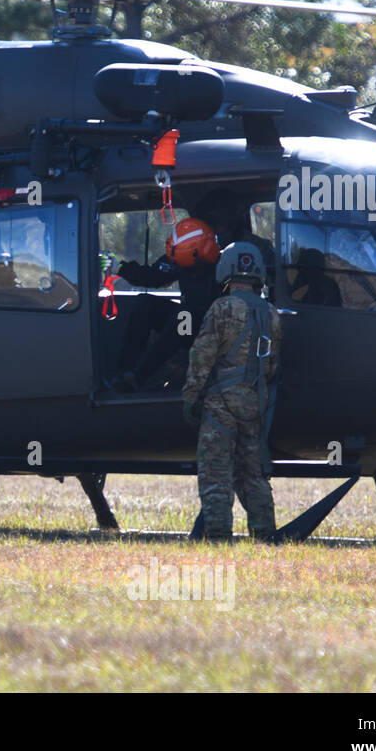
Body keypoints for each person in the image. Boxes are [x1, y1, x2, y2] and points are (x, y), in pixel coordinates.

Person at [182, 241, 282, 541]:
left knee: (216, 474)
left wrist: (190, 398)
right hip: (254, 404)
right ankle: (264, 535)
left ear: (226, 270)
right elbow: (272, 365)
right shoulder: (272, 314)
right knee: (254, 475)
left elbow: (201, 358)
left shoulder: (221, 308)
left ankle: (218, 536)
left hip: (220, 405)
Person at [113, 216, 220, 391]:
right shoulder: (178, 257)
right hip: (185, 326)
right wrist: (120, 268)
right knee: (145, 303)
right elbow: (153, 276)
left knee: (184, 315)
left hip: (212, 331)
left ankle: (140, 377)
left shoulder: (226, 263)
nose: (180, 266)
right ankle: (125, 371)